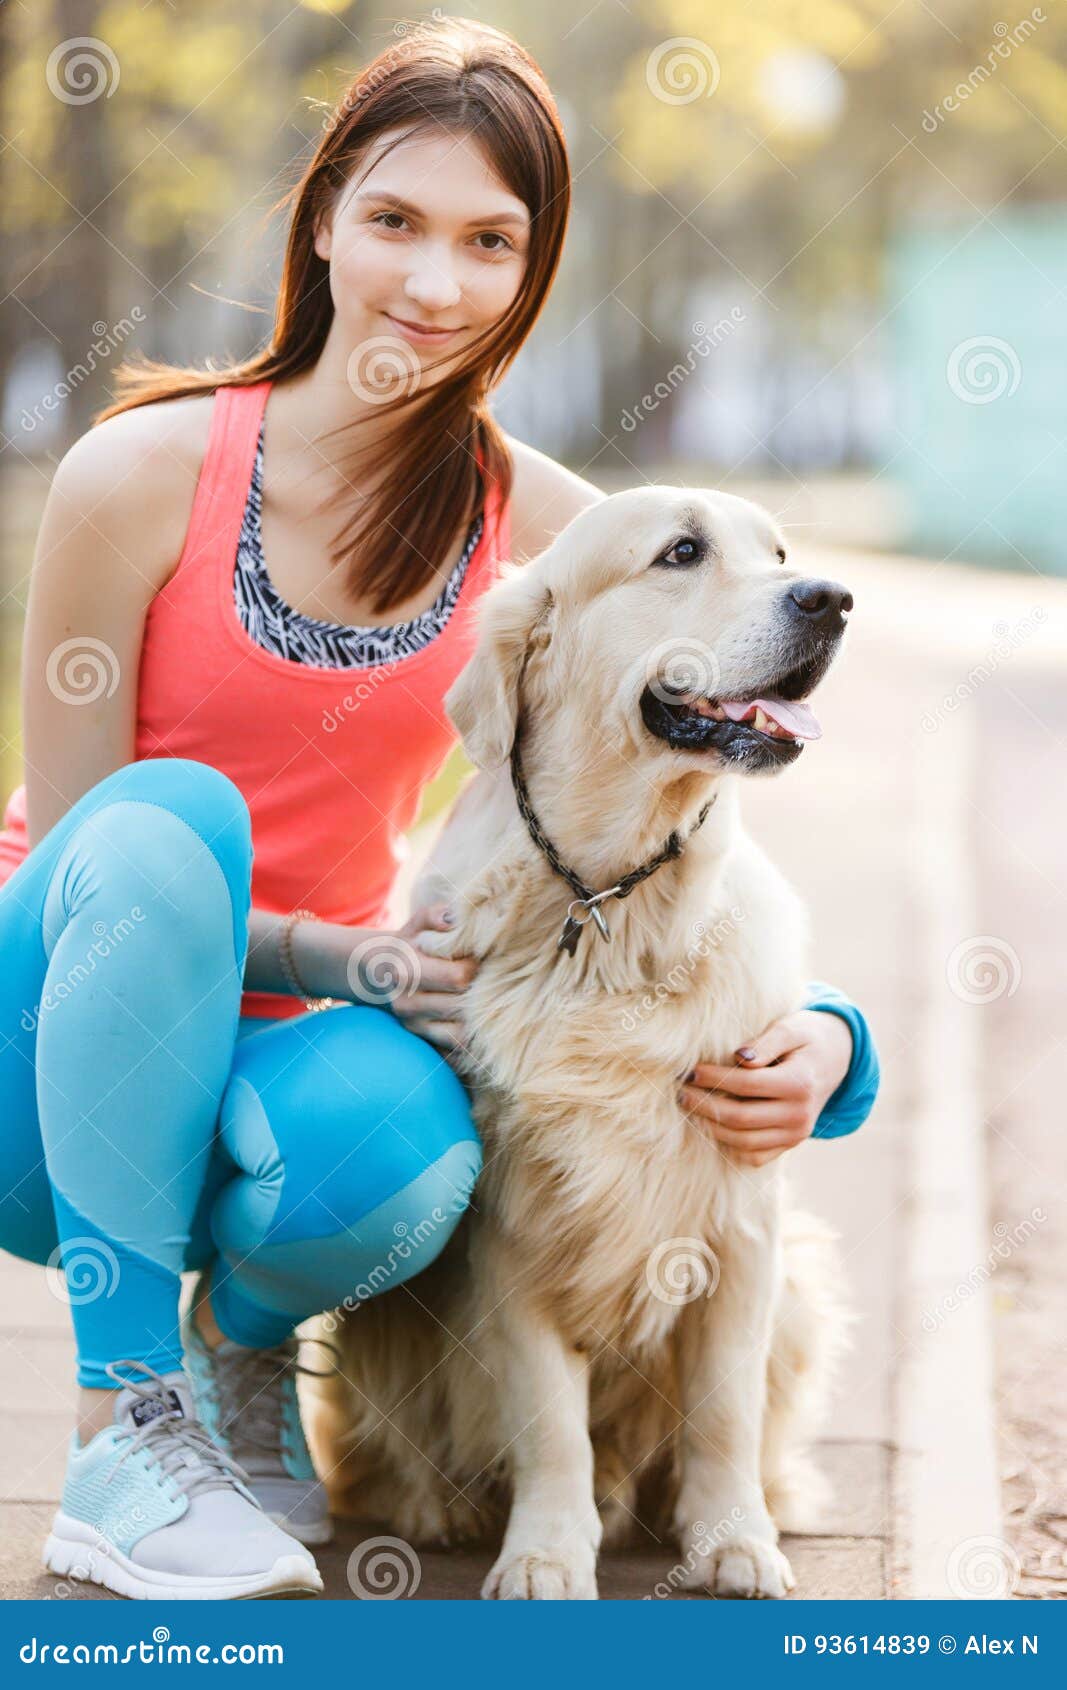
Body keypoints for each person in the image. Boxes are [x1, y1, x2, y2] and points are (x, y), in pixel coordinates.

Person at [0, 17, 879, 1601]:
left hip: (306, 1046)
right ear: (324, 213)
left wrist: (826, 1035)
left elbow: (690, 721)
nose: (436, 280)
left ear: (530, 275)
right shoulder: (136, 476)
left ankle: (240, 1357)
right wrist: (355, 961)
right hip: (56, 1051)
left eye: (493, 241)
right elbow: (74, 855)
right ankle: (122, 1431)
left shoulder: (543, 529)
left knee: (414, 1164)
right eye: (397, 219)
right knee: (164, 820)